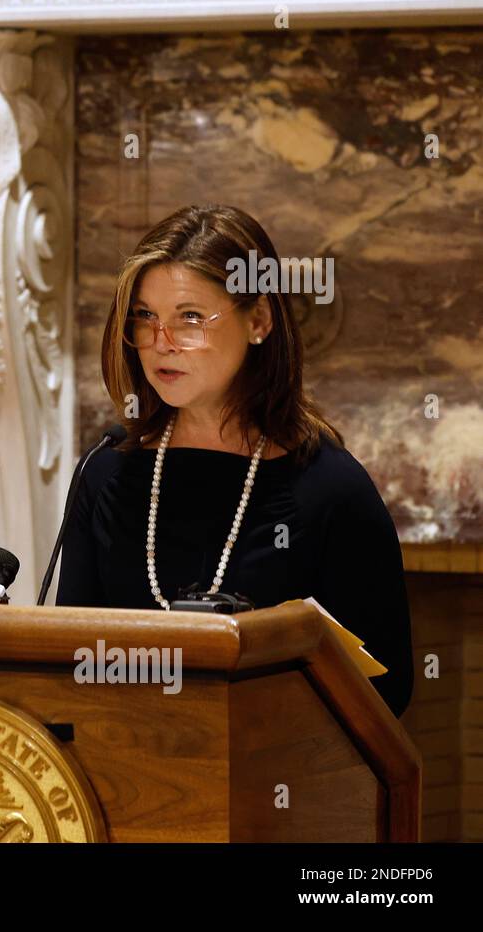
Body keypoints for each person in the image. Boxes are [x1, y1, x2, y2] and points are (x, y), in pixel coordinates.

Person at [56, 204, 413, 718]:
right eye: (145, 317)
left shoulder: (331, 487)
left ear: (259, 321)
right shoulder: (106, 471)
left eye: (191, 318)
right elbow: (70, 662)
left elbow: (388, 689)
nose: (161, 343)